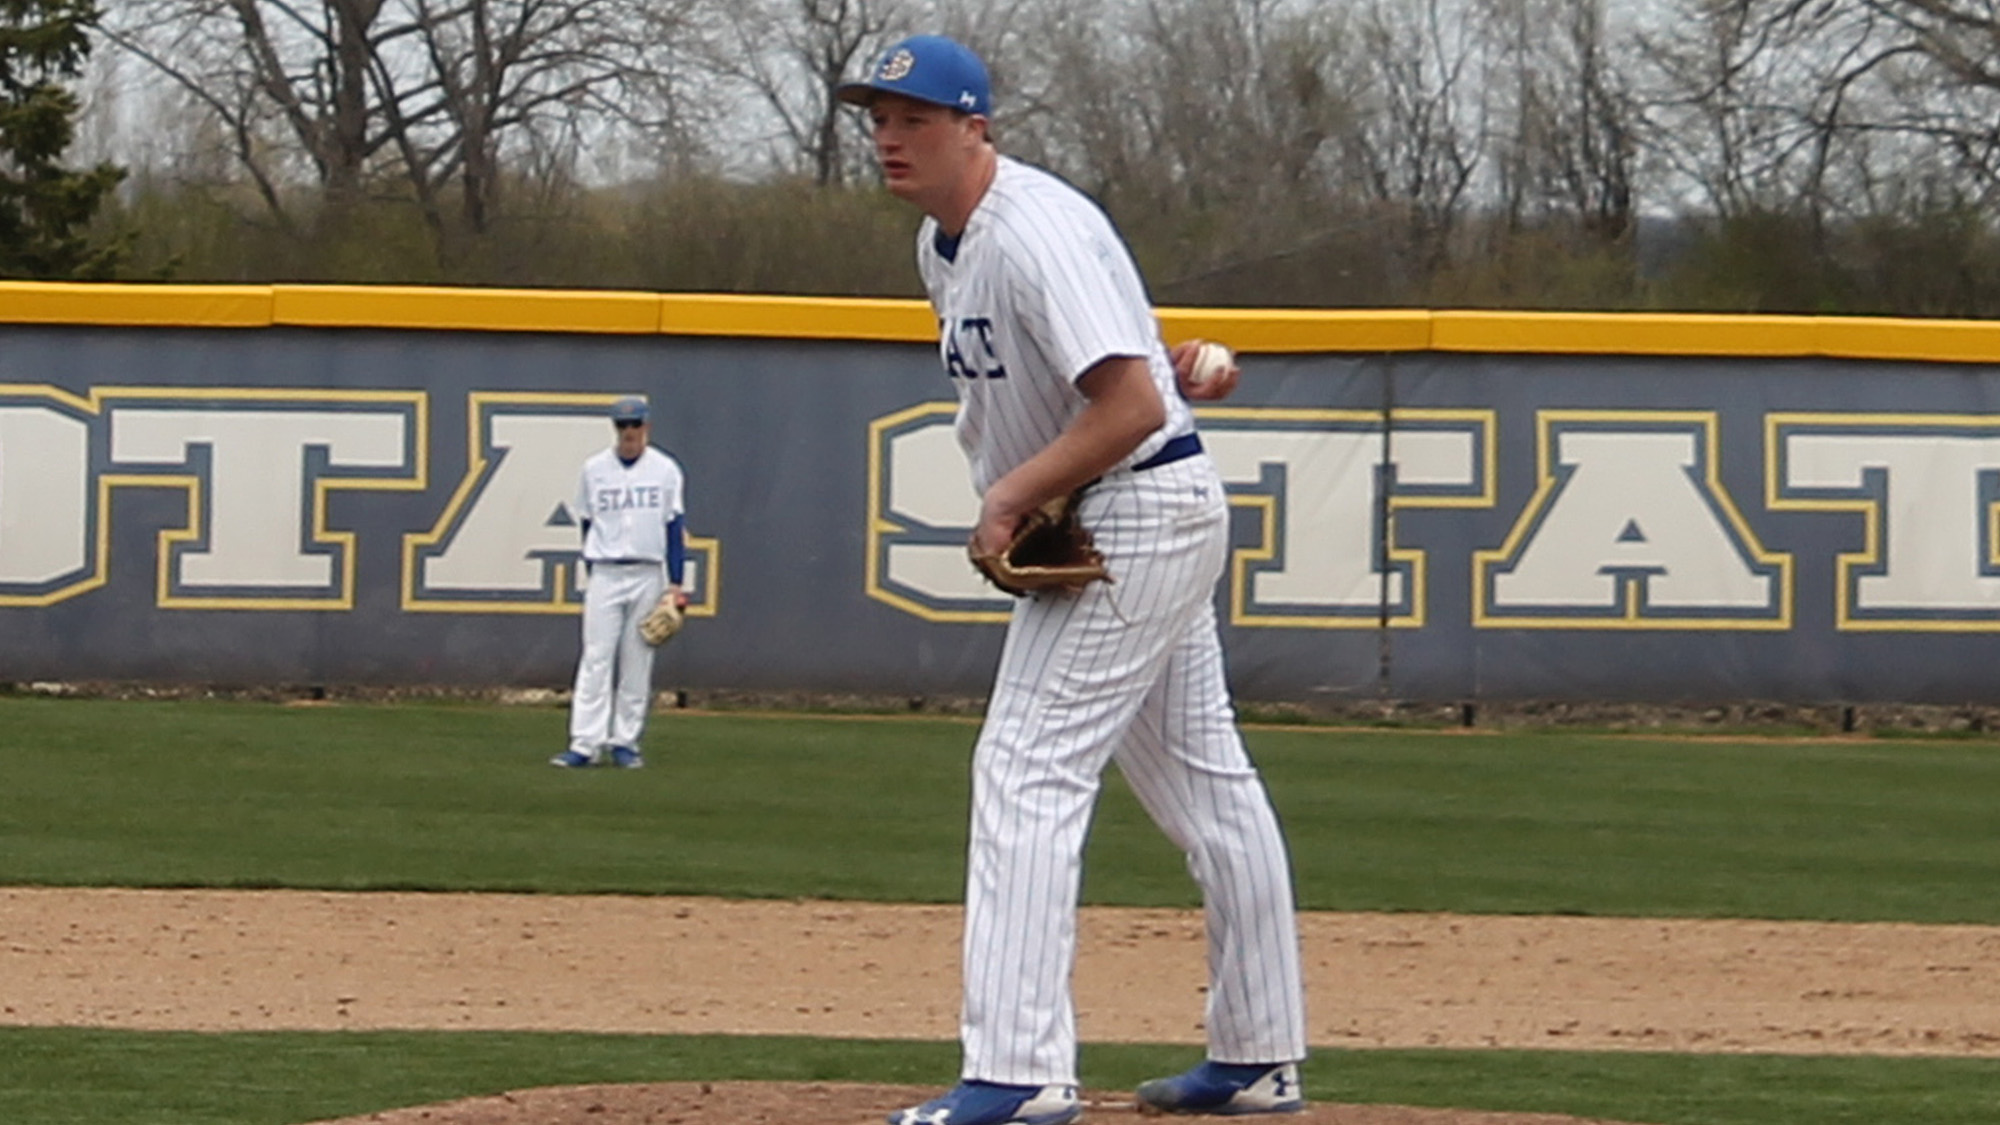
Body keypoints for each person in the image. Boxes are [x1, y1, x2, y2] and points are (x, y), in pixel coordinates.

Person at [835, 34, 1305, 1125]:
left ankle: (1019, 1072)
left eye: (914, 119)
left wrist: (1010, 496)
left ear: (974, 127)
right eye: (879, 118)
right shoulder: (942, 244)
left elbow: (1128, 407)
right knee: (1208, 788)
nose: (889, 137)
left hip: (1136, 509)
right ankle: (1258, 1055)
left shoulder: (1029, 228)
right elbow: (1122, 372)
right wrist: (1173, 369)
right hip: (1132, 504)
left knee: (1024, 769)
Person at [550, 396, 689, 769]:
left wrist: (676, 583)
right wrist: (592, 567)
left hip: (647, 571)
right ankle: (585, 743)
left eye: (635, 425)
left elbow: (674, 526)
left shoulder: (665, 469)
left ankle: (625, 742)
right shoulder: (595, 469)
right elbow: (587, 521)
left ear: (647, 427)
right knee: (596, 657)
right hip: (607, 570)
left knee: (637, 659)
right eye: (622, 426)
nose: (629, 432)